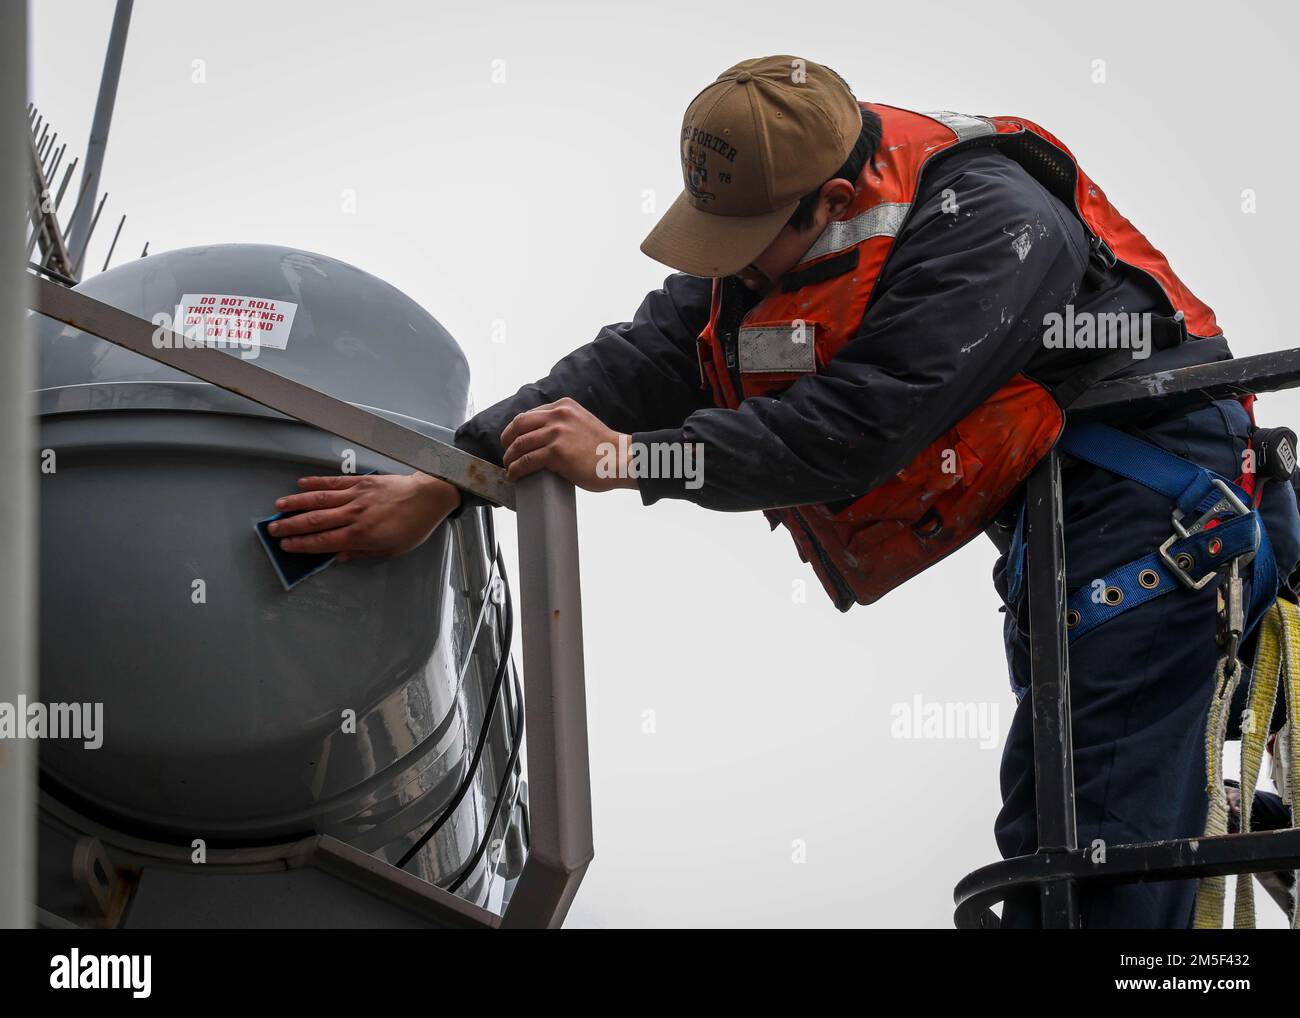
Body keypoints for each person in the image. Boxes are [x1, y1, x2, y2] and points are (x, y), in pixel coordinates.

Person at [267, 55, 1300, 927]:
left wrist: (631, 460)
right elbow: (641, 359)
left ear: (834, 202)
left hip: (1159, 500)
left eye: (747, 242)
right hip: (1066, 522)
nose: (731, 273)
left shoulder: (992, 228)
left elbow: (851, 430)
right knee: (1057, 823)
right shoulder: (768, 240)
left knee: (1084, 847)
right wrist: (454, 475)